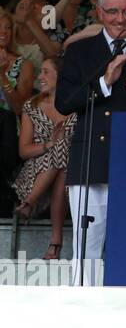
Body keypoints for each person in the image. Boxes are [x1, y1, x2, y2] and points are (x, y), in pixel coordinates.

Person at [54, 0, 126, 284]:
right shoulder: (79, 51)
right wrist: (104, 82)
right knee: (85, 249)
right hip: (91, 160)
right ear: (99, 13)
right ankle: (82, 313)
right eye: (112, 11)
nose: (119, 18)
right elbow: (64, 103)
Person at [13, 54, 76, 259]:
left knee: (64, 157)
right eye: (40, 71)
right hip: (34, 175)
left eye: (46, 72)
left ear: (61, 76)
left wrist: (57, 144)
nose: (40, 76)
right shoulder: (31, 107)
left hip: (68, 175)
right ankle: (55, 242)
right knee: (61, 151)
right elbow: (24, 151)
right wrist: (48, 144)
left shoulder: (76, 107)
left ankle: (29, 205)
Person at [0, 8, 36, 211]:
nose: (3, 31)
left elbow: (20, 107)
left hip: (9, 131)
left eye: (8, 27)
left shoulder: (24, 64)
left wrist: (3, 76)